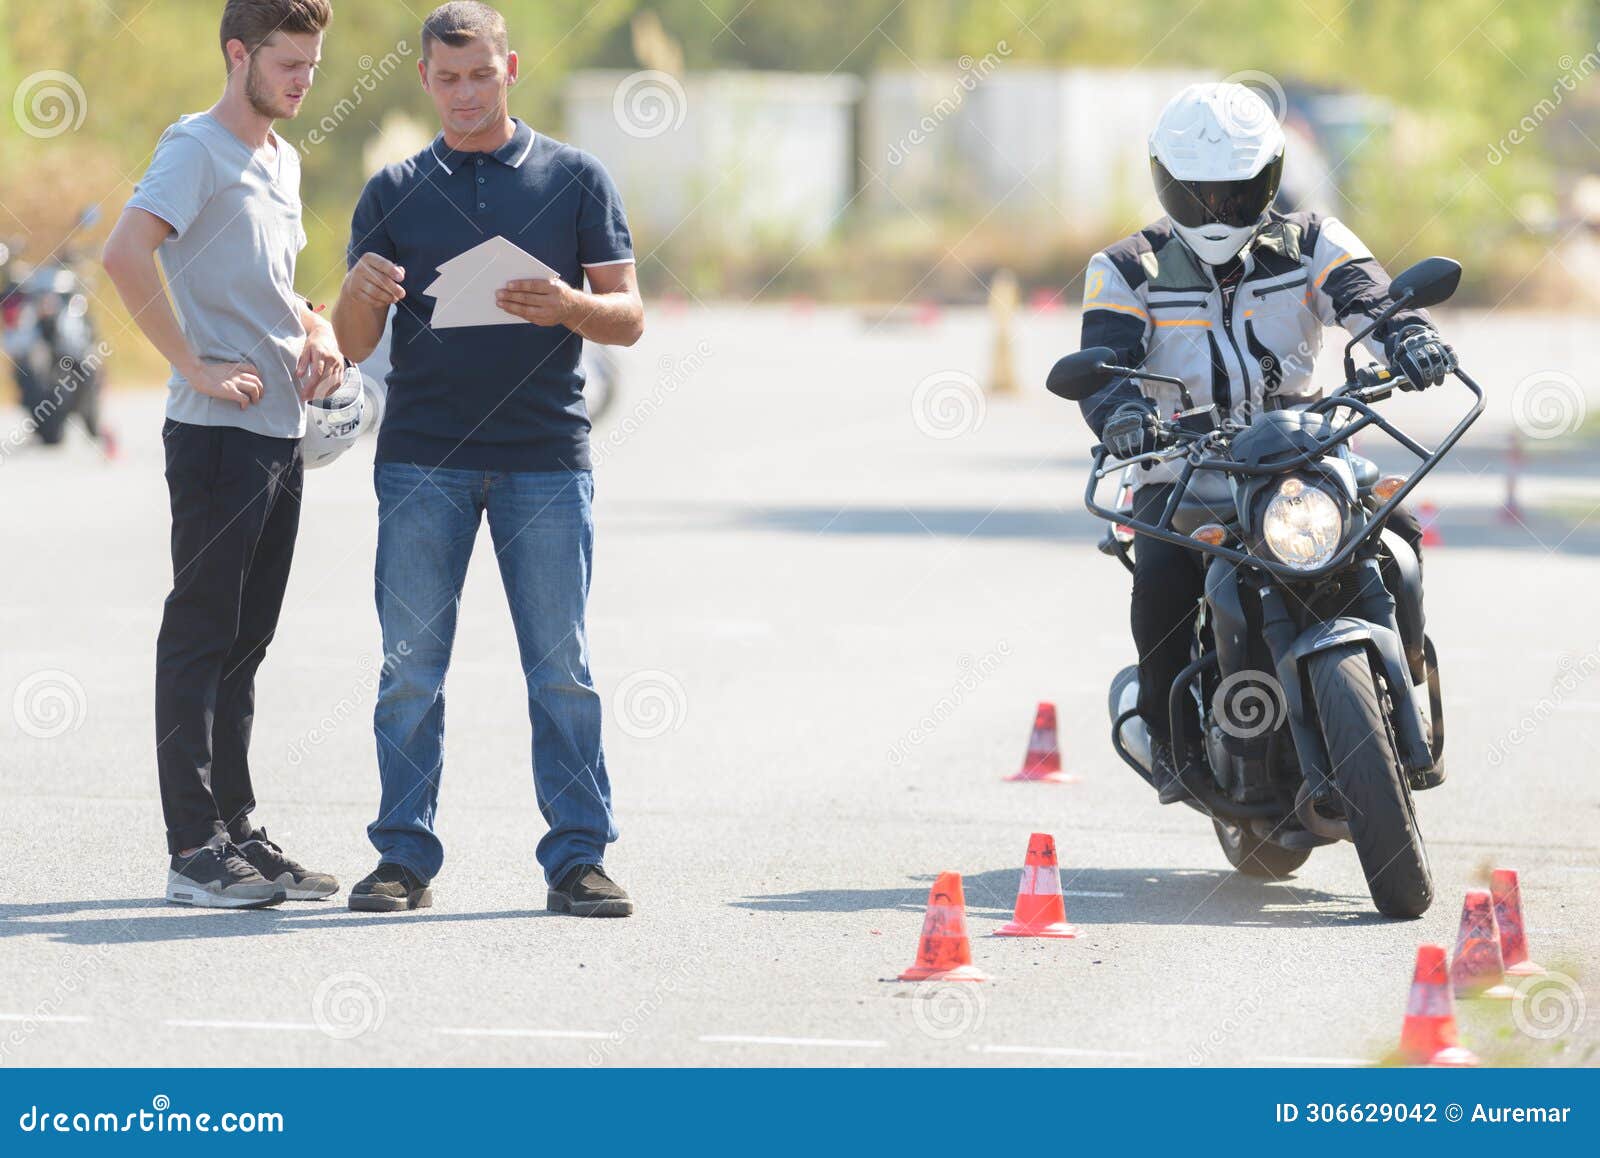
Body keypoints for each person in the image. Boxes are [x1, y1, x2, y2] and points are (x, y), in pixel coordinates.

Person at [331, 2, 643, 916]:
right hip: (422, 458)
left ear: (510, 70)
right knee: (410, 669)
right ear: (425, 80)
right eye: (447, 77)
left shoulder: (575, 177)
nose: (464, 93)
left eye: (481, 75)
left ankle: (577, 857)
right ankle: (403, 858)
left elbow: (628, 313)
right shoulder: (392, 190)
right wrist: (358, 291)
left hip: (546, 455)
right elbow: (351, 344)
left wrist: (567, 306)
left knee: (561, 670)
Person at [1076, 82, 1457, 803]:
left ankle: (1402, 672)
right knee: (1160, 576)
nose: (1219, 210)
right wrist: (1123, 414)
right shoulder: (1126, 268)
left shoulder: (1312, 238)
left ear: (1271, 179)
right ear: (1166, 181)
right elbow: (1103, 366)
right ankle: (1170, 739)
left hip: (1306, 448)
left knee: (1398, 529)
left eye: (1237, 191)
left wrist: (1408, 335)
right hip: (1186, 468)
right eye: (1201, 194)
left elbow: (1368, 298)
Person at [102, 0, 344, 908]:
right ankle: (191, 850)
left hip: (280, 434)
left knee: (246, 643)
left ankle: (238, 830)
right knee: (200, 638)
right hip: (214, 439)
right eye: (286, 62)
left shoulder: (281, 160)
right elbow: (126, 253)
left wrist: (315, 324)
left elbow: (275, 287)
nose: (301, 80)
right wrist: (192, 366)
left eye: (313, 65)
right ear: (238, 52)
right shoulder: (195, 146)